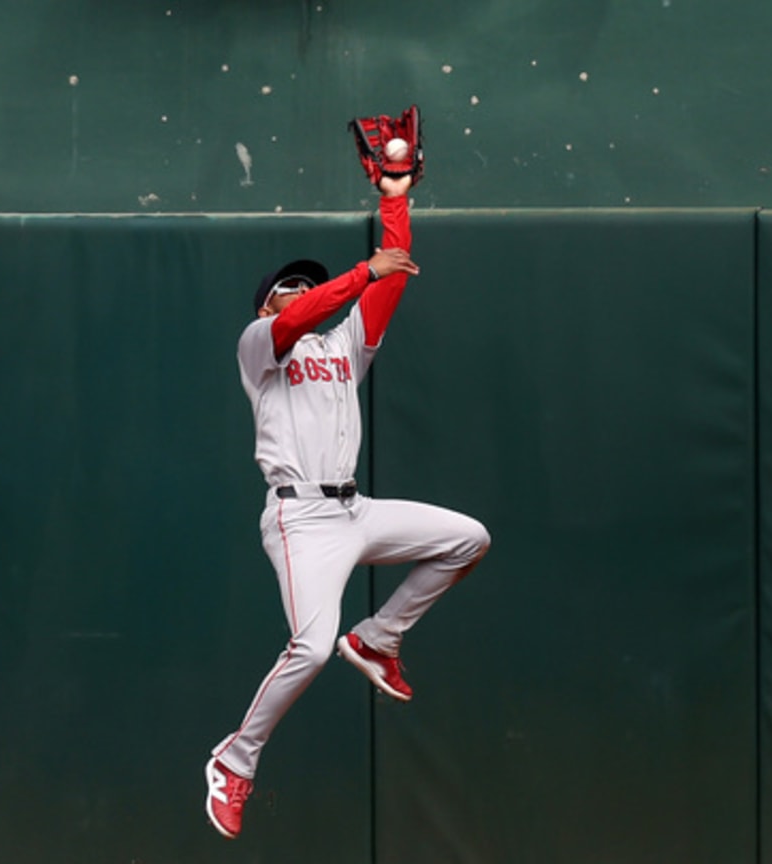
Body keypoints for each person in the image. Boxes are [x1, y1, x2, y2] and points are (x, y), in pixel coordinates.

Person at [205, 171, 491, 840]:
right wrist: (361, 271)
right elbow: (335, 296)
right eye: (289, 289)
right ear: (266, 305)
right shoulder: (259, 347)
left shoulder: (342, 348)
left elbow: (392, 278)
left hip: (354, 509)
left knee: (467, 539)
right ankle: (233, 760)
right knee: (307, 647)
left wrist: (394, 198)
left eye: (310, 284)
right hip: (299, 518)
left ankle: (378, 637)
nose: (302, 293)